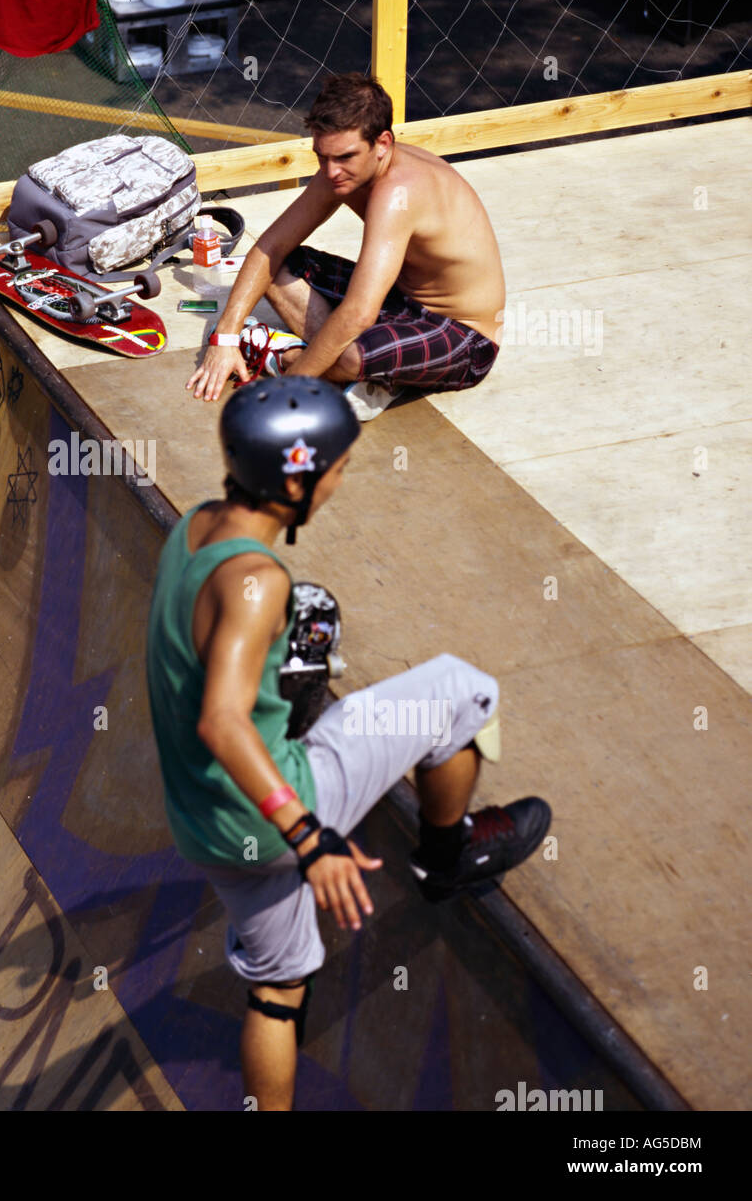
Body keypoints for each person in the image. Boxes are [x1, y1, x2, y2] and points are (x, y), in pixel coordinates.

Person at [146, 377, 552, 1110]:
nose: (341, 481)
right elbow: (223, 720)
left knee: (276, 992)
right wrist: (309, 838)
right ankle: (446, 855)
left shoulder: (197, 526)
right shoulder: (257, 580)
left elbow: (198, 654)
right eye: (338, 469)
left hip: (201, 819)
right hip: (278, 811)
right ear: (297, 479)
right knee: (460, 689)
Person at [187, 74, 505, 420]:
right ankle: (363, 375)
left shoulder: (400, 191)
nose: (331, 171)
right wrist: (226, 337)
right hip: (400, 300)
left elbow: (358, 313)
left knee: (351, 354)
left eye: (345, 157)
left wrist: (287, 390)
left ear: (382, 143)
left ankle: (294, 360)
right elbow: (271, 247)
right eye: (322, 157)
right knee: (275, 268)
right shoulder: (344, 170)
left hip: (463, 336)